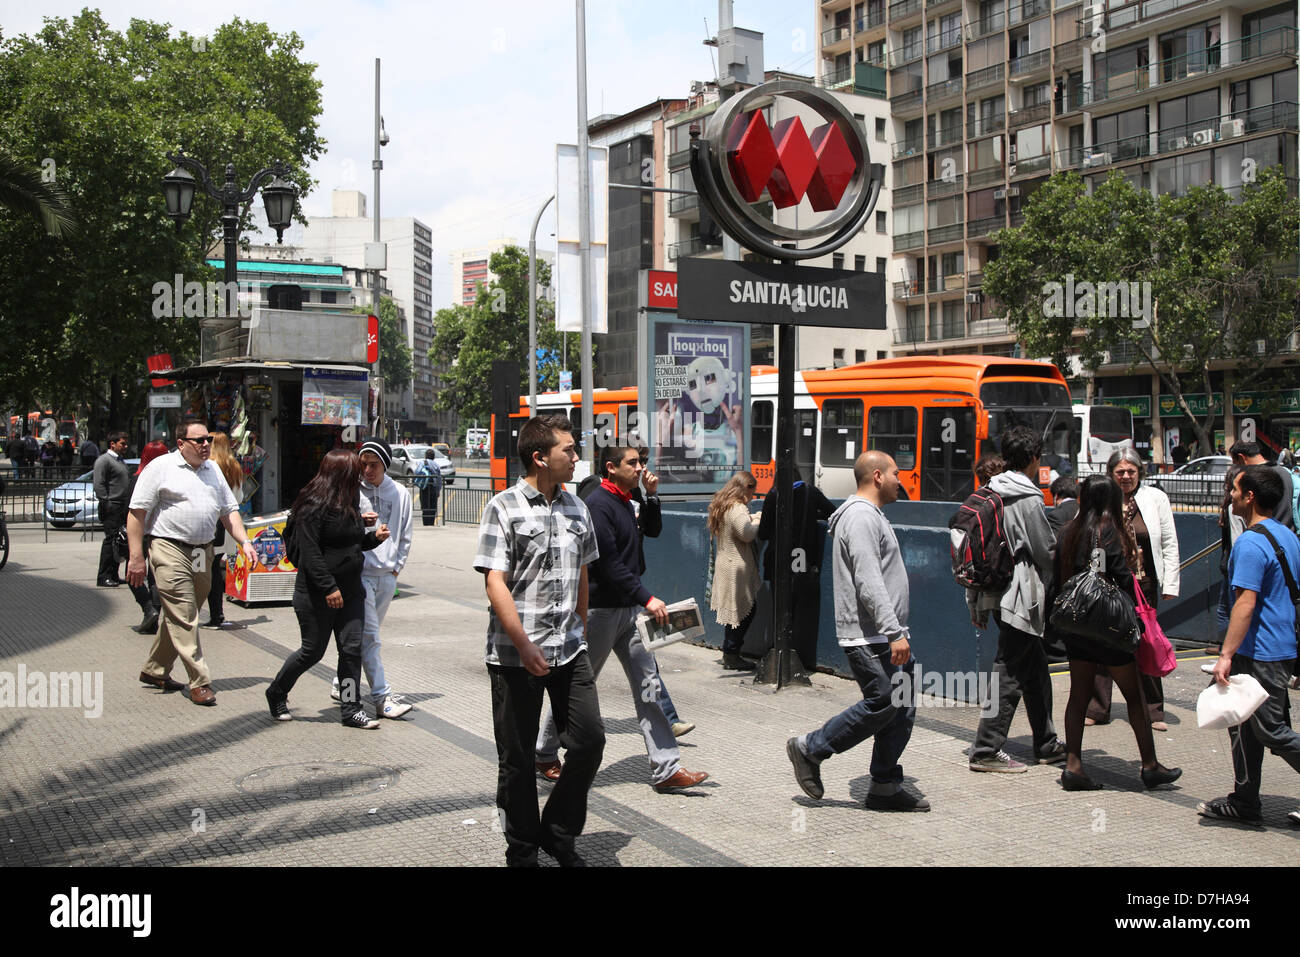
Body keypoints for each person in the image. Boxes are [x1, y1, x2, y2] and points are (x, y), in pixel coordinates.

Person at [533, 444, 709, 793]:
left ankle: (666, 768)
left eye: (641, 462)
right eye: (633, 463)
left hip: (630, 611)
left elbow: (654, 531)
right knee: (577, 684)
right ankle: (544, 752)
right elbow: (609, 564)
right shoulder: (598, 505)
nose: (640, 467)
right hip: (601, 612)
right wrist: (647, 597)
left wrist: (652, 496)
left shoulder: (628, 501)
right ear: (611, 468)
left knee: (649, 686)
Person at [475, 414, 606, 867]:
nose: (575, 457)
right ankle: (523, 849)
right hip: (515, 654)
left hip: (569, 649)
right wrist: (523, 642)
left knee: (589, 740)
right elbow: (495, 581)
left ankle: (558, 832)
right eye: (567, 450)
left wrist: (582, 623)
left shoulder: (577, 507)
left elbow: (584, 571)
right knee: (516, 759)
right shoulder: (503, 507)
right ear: (540, 457)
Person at [785, 450, 928, 811]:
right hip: (873, 635)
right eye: (896, 473)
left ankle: (883, 785)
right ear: (878, 476)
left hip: (881, 632)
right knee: (884, 699)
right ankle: (810, 748)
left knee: (901, 702)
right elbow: (868, 580)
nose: (902, 480)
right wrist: (893, 631)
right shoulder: (862, 517)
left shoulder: (867, 515)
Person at [1053, 476, 1182, 791]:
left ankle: (1073, 766)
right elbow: (1119, 576)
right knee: (1135, 696)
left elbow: (1059, 575)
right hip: (1108, 628)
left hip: (1077, 626)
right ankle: (1150, 765)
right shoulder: (1107, 530)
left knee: (1078, 696)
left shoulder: (1068, 531)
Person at [126, 417, 258, 706]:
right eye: (199, 440)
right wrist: (136, 557)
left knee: (184, 611)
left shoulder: (213, 470)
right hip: (168, 548)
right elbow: (136, 514)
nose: (205, 445)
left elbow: (229, 511)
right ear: (181, 443)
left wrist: (244, 541)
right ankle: (199, 681)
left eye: (208, 440)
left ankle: (155, 670)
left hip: (203, 552)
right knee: (185, 614)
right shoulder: (161, 468)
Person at [1198, 465, 1300, 825]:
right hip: (1278, 647)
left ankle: (1245, 801)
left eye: (1235, 489)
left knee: (1272, 730)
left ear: (1250, 496)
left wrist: (1226, 655)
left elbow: (1245, 603)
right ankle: (1245, 802)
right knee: (1243, 724)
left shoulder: (1252, 542)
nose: (1231, 495)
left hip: (1260, 652)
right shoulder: (1287, 536)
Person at [966, 426, 1066, 772]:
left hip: (994, 591)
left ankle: (1047, 743)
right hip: (1020, 596)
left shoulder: (991, 488)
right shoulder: (1027, 496)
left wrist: (973, 599)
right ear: (1035, 458)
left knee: (1035, 669)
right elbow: (1045, 550)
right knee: (1009, 672)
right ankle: (986, 749)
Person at [266, 448, 390, 727]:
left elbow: (350, 544)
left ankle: (351, 709)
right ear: (340, 474)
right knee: (312, 651)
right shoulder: (311, 506)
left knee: (351, 649)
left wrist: (374, 537)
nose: (361, 475)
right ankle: (276, 691)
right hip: (316, 593)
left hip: (351, 591)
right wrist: (329, 588)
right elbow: (310, 554)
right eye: (355, 471)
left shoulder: (349, 500)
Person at [1086, 448, 1180, 730]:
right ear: (1111, 474)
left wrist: (1171, 582)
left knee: (1147, 642)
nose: (1126, 477)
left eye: (1131, 472)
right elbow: (1092, 540)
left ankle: (1153, 711)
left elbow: (1169, 542)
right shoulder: (1101, 499)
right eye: (1120, 472)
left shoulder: (1155, 499)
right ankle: (1098, 708)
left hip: (1143, 585)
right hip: (1108, 585)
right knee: (1103, 644)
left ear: (1140, 473)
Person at [327, 438, 415, 720]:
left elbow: (406, 533)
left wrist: (396, 567)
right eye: (363, 463)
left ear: (385, 465)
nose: (367, 470)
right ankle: (381, 696)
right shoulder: (352, 491)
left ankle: (342, 681)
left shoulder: (400, 493)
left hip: (386, 577)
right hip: (359, 575)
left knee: (363, 636)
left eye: (373, 464)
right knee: (370, 638)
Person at [758, 470, 835, 671]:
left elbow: (764, 532)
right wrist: (811, 514)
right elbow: (832, 512)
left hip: (779, 560)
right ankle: (797, 655)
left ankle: (780, 651)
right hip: (801, 558)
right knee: (798, 607)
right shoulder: (811, 492)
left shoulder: (774, 495)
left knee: (780, 606)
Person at [708, 470, 762, 670]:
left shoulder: (723, 505)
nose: (752, 498)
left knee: (735, 613)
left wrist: (752, 517)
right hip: (736, 567)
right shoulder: (737, 508)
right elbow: (746, 533)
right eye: (752, 493)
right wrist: (757, 520)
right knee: (743, 612)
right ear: (744, 488)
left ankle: (730, 651)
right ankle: (731, 653)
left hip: (725, 564)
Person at [126, 440, 170, 634]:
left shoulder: (138, 479)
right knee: (154, 577)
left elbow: (129, 509)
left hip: (142, 533)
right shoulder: (171, 479)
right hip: (161, 533)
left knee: (133, 573)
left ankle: (148, 609)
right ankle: (153, 615)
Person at [202, 432, 244, 628]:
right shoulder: (234, 466)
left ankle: (210, 614)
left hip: (211, 526)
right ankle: (217, 614)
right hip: (229, 526)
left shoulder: (208, 466)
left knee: (202, 570)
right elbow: (240, 497)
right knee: (214, 569)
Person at [92, 431, 131, 587]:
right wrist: (106, 501)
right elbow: (98, 483)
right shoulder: (104, 460)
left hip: (121, 505)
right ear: (112, 444)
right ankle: (103, 576)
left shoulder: (120, 460)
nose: (125, 446)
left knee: (119, 542)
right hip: (111, 506)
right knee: (111, 541)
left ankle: (114, 574)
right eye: (122, 443)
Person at [1230, 439, 1296, 531]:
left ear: (1241, 458)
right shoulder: (1285, 472)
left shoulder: (1255, 478)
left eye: (1236, 464)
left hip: (1266, 536)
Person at [413, 448, 443, 525]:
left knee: (425, 506)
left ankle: (426, 523)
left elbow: (417, 472)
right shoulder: (436, 465)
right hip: (433, 488)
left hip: (424, 488)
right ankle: (431, 523)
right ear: (433, 457)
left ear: (426, 456)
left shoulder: (423, 462)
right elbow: (439, 479)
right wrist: (438, 490)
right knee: (433, 507)